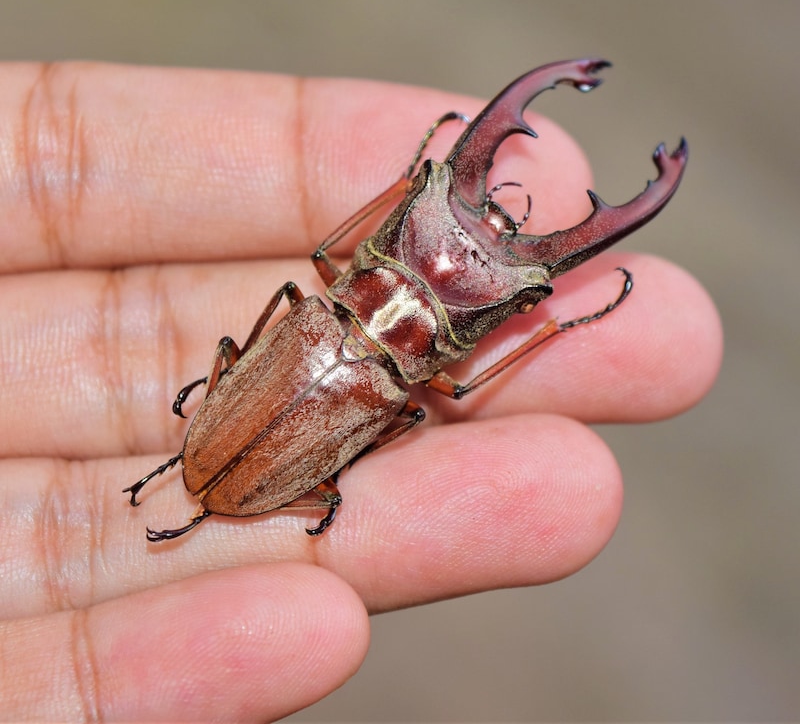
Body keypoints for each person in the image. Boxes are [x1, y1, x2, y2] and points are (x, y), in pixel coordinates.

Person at [0, 62, 722, 721]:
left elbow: (319, 268)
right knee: (416, 404)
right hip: (326, 409)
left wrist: (417, 188)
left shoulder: (317, 314)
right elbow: (459, 385)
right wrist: (549, 321)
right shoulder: (402, 387)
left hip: (289, 392)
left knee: (320, 305)